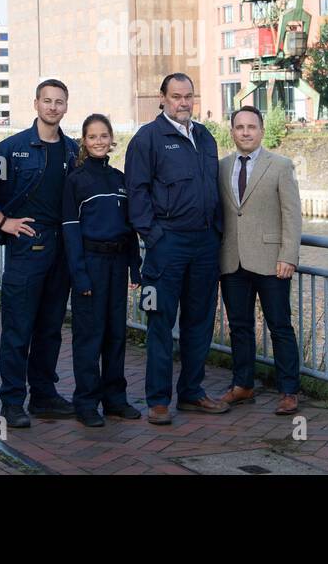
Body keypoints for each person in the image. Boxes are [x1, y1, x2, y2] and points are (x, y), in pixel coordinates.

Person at [0, 79, 78, 429]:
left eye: (59, 102)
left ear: (65, 107)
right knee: (18, 329)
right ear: (36, 104)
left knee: (50, 329)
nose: (53, 107)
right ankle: (12, 402)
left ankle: (44, 396)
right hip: (27, 247)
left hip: (62, 248)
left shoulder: (73, 151)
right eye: (47, 101)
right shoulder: (14, 148)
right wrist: (2, 220)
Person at [124, 72, 230, 425]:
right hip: (167, 244)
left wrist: (216, 233)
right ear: (163, 98)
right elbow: (136, 193)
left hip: (204, 245)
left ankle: (192, 392)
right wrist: (154, 237)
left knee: (199, 322)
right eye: (176, 96)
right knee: (160, 322)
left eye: (189, 96)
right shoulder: (148, 139)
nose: (184, 102)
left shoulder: (205, 137)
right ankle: (157, 400)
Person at [217, 105, 302, 414]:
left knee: (280, 326)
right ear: (232, 132)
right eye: (239, 127)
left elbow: (292, 214)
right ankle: (243, 385)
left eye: (251, 127)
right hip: (231, 260)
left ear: (261, 131)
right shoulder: (222, 167)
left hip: (271, 260)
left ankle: (289, 390)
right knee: (239, 326)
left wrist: (288, 255)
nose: (246, 132)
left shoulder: (280, 165)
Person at [61, 113, 142, 427]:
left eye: (103, 136)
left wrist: (135, 267)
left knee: (116, 334)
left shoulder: (120, 179)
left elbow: (130, 227)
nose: (98, 142)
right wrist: (79, 274)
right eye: (92, 137)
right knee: (89, 336)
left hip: (117, 264)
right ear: (84, 141)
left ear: (111, 140)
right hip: (90, 264)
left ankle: (115, 399)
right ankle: (86, 402)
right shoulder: (75, 181)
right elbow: (70, 230)